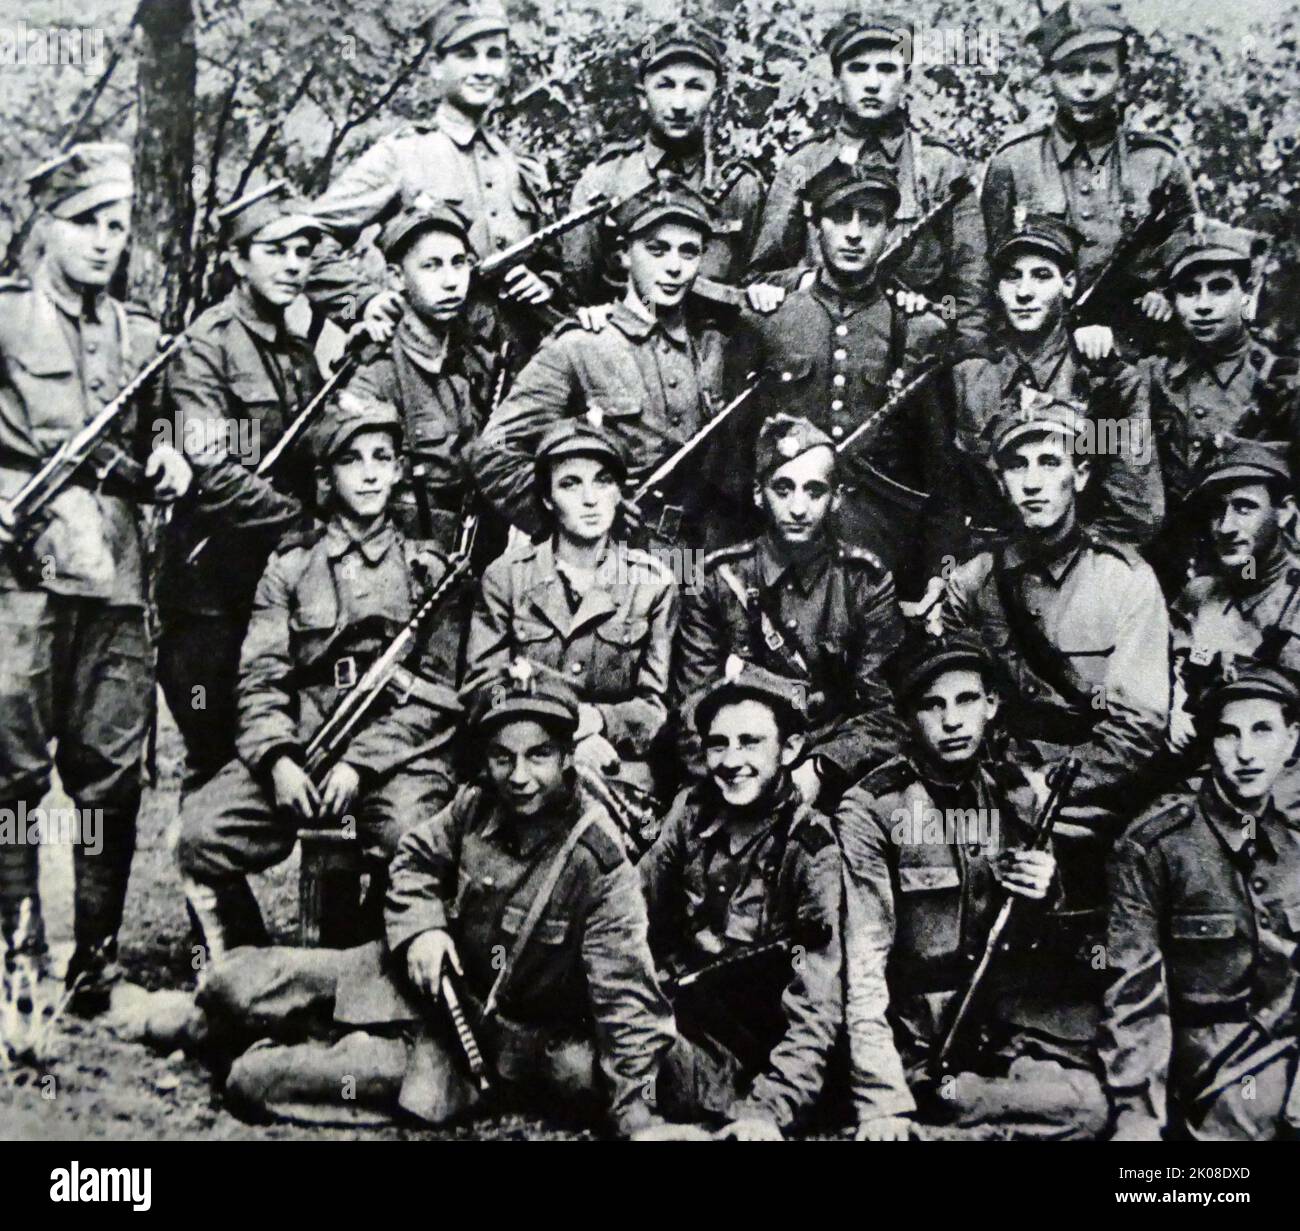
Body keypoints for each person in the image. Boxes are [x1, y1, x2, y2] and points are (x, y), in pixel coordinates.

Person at [0, 142, 192, 1001]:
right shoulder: (4, 320)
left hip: (115, 573)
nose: (104, 241)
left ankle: (93, 958)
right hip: (22, 576)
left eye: (118, 225)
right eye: (86, 223)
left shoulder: (141, 332)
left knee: (109, 773)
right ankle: (14, 943)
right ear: (46, 226)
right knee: (9, 772)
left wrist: (176, 457)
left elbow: (172, 427)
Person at [176, 396, 461, 960]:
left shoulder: (430, 567)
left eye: (383, 456)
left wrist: (362, 762)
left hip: (395, 759)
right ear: (326, 477)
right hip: (305, 750)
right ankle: (245, 966)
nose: (371, 472)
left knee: (419, 837)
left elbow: (439, 694)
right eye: (352, 459)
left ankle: (381, 967)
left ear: (400, 469)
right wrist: (277, 758)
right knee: (198, 834)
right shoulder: (289, 566)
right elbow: (259, 678)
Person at [941, 396, 1169, 1006]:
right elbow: (952, 699)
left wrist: (1055, 783)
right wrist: (1009, 781)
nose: (1034, 481)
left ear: (1082, 475)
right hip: (1000, 782)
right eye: (1018, 466)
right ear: (1001, 480)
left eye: (1050, 461)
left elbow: (1139, 730)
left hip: (1098, 793)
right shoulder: (974, 581)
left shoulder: (1124, 579)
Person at [838, 629, 1108, 1140]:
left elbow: (1050, 950)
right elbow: (863, 964)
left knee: (1088, 1109)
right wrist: (882, 1098)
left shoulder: (1014, 794)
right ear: (909, 718)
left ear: (992, 704)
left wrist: (1047, 892)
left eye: (966, 700)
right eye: (932, 705)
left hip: (1002, 1031)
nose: (952, 720)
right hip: (915, 1044)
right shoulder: (872, 808)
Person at [157, 182, 325, 793]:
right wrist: (305, 525)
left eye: (303, 252)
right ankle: (204, 886)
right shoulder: (206, 346)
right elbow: (211, 472)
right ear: (237, 258)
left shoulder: (297, 351)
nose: (292, 265)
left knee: (276, 745)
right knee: (209, 747)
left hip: (275, 589)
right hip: (210, 596)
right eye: (275, 250)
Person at [641, 657, 843, 1139]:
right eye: (718, 744)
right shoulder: (690, 812)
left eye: (751, 742)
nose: (731, 761)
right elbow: (630, 909)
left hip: (762, 1049)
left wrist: (768, 1112)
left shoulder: (812, 848)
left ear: (791, 748)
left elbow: (817, 1002)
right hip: (688, 1019)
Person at [470, 182, 735, 548]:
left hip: (691, 553)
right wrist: (568, 519)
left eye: (688, 253)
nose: (674, 267)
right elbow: (494, 453)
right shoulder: (580, 345)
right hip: (608, 558)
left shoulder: (713, 345)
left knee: (681, 604)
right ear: (624, 254)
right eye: (656, 250)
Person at [1102, 661, 1300, 1140]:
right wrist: (1137, 1114)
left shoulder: (1293, 844)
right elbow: (1133, 993)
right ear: (1210, 744)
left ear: (1292, 739)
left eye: (1262, 731)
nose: (1247, 753)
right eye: (1229, 734)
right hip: (1211, 1064)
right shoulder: (1155, 845)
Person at [730, 161, 949, 588]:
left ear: (889, 231)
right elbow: (733, 462)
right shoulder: (768, 320)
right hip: (779, 550)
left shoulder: (919, 331)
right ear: (817, 227)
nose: (854, 233)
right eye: (840, 216)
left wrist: (938, 573)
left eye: (870, 220)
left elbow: (939, 473)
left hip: (879, 551)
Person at [675, 415, 904, 810]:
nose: (798, 507)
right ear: (758, 494)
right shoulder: (717, 580)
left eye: (815, 491)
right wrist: (737, 782)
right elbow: (692, 709)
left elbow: (885, 716)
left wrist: (820, 769)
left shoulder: (864, 582)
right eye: (783, 489)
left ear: (836, 498)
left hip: (831, 782)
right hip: (732, 776)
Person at [306, 0, 555, 335]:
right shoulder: (402, 154)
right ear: (437, 65)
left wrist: (544, 284)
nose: (483, 69)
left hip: (521, 367)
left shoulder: (519, 166)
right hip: (429, 366)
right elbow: (307, 238)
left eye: (494, 54)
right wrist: (363, 302)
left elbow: (555, 264)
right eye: (466, 54)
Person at [465, 415, 678, 803]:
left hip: (616, 766)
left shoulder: (653, 584)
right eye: (570, 483)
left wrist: (597, 722)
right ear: (547, 498)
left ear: (619, 492)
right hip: (521, 767)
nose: (590, 498)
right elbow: (483, 691)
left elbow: (656, 706)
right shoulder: (506, 578)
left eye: (603, 481)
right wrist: (556, 740)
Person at [750, 11, 988, 350]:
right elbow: (760, 277)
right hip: (818, 348)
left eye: (887, 69)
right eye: (858, 69)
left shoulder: (940, 169)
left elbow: (970, 289)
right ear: (836, 80)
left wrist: (956, 347)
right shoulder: (804, 164)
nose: (873, 83)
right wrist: (806, 280)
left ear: (906, 80)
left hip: (912, 354)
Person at [941, 210, 1162, 563]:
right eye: (1012, 278)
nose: (1024, 292)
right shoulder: (970, 377)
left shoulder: (1106, 382)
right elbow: (949, 500)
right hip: (987, 572)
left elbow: (1137, 513)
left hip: (1079, 568)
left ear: (1069, 284)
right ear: (997, 288)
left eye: (1042, 276)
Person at [981, 0, 1197, 331]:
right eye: (1070, 70)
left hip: (1138, 346)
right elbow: (987, 272)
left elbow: (1189, 254)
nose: (1086, 85)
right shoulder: (1013, 163)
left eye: (1101, 69)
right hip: (1041, 349)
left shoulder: (1158, 162)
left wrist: (1165, 292)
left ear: (1122, 75)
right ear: (1049, 77)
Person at [563, 20, 764, 304]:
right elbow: (574, 294)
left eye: (695, 87)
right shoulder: (605, 180)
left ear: (715, 98)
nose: (679, 103)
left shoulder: (740, 188)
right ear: (643, 97)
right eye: (665, 85)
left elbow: (757, 289)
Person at [1143, 215, 1293, 592]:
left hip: (1249, 572)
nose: (1204, 305)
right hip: (1165, 570)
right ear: (1173, 300)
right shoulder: (1151, 376)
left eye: (1219, 288)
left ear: (1246, 293)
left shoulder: (1281, 381)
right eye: (1190, 291)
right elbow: (1095, 448)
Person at [1169, 438, 1300, 754]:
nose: (1226, 527)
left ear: (1284, 512)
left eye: (1245, 507)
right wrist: (1174, 706)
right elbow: (1178, 670)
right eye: (1217, 510)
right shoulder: (1199, 596)